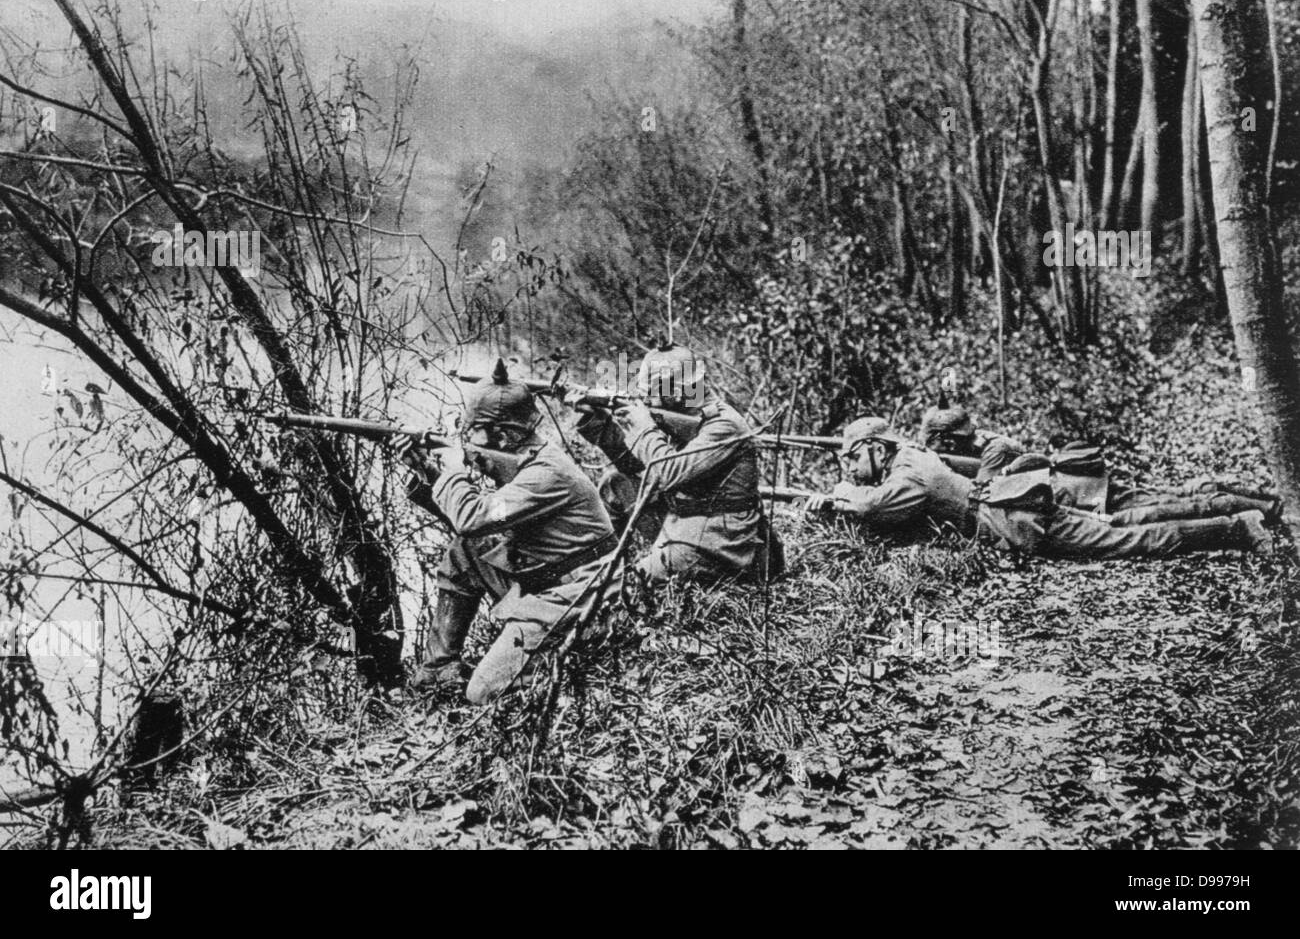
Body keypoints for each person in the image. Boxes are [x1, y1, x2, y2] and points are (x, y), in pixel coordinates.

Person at [393, 359, 621, 704]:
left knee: (482, 691)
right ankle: (437, 672)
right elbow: (472, 525)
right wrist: (428, 470)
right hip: (554, 576)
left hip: (583, 595)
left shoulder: (544, 473)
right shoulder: (528, 456)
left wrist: (454, 470)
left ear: (504, 434)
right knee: (466, 550)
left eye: (474, 431)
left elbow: (474, 515)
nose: (468, 439)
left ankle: (565, 671)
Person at [806, 417, 1272, 558]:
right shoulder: (911, 453)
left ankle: (1237, 529)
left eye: (852, 456)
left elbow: (872, 507)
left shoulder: (908, 474)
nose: (849, 467)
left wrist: (837, 498)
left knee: (1128, 538)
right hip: (1020, 502)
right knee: (1127, 520)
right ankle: (1243, 517)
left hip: (1013, 517)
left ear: (874, 447)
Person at [575, 342, 782, 586]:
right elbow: (635, 466)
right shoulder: (682, 415)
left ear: (676, 391)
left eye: (655, 391)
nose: (649, 398)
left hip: (721, 544)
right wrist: (598, 422)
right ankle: (603, 567)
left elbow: (666, 473)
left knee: (625, 585)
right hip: (682, 520)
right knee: (616, 484)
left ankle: (609, 583)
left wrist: (645, 428)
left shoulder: (724, 425)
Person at [921, 404, 1281, 526]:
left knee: (1175, 506)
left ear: (948, 441)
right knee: (1171, 498)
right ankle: (1263, 503)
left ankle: (1267, 508)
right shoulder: (987, 442)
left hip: (1083, 494)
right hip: (1084, 485)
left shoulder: (994, 448)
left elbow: (983, 493)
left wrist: (942, 468)